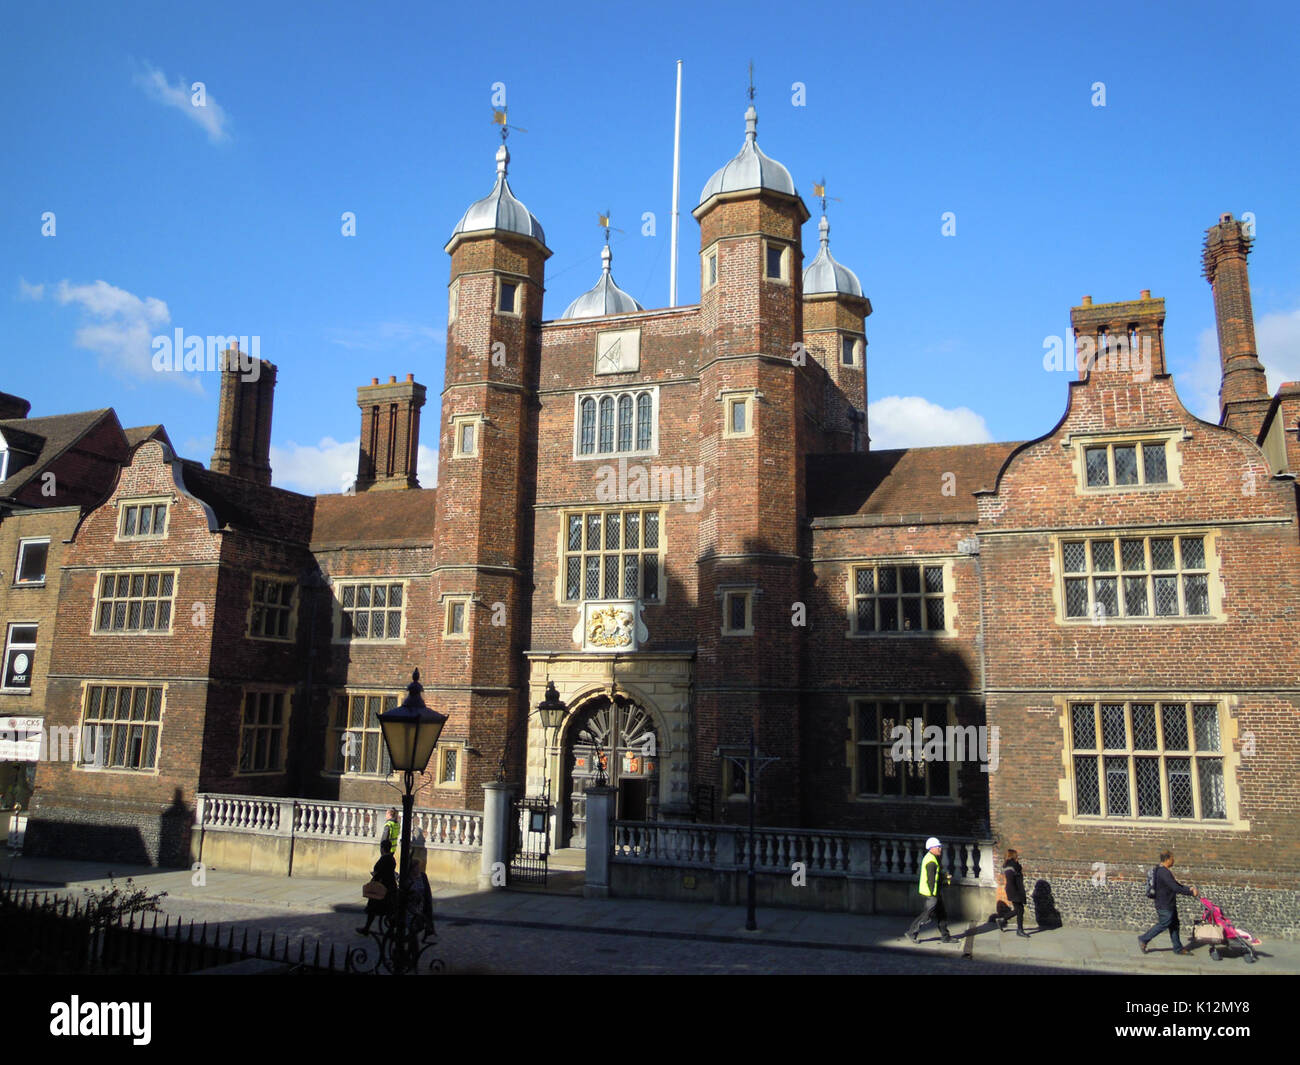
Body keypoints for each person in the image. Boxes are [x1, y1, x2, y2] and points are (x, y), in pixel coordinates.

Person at [1138, 850, 1196, 955]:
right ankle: (1144, 939)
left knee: (1174, 925)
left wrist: (1189, 889)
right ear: (1168, 859)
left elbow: (1175, 884)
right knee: (1164, 923)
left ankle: (1178, 948)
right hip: (1164, 904)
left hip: (1168, 903)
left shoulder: (1161, 870)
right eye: (1172, 858)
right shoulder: (1163, 872)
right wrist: (1190, 893)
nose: (1174, 860)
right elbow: (1174, 887)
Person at [906, 837, 953, 943]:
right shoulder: (931, 861)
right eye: (938, 847)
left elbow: (937, 875)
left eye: (940, 847)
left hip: (934, 892)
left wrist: (945, 877)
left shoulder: (933, 858)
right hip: (931, 894)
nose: (940, 849)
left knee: (942, 915)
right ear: (932, 848)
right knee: (926, 916)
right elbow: (930, 879)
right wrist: (934, 894)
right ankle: (911, 933)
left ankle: (946, 936)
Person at [356, 838, 398, 935]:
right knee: (389, 910)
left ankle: (367, 928)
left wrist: (375, 874)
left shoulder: (384, 859)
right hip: (390, 886)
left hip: (381, 887)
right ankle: (389, 930)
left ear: (382, 848)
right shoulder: (391, 858)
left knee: (375, 909)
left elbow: (380, 872)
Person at [997, 848, 1031, 937]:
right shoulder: (1010, 866)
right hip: (1014, 890)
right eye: (1016, 855)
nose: (1018, 856)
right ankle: (1019, 930)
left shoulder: (1014, 865)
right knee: (1020, 909)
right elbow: (1010, 880)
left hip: (1016, 889)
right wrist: (1017, 893)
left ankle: (1003, 920)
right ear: (1013, 855)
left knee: (1018, 910)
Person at [402, 857, 436, 939]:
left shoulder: (423, 876)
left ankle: (410, 940)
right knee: (413, 928)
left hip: (420, 906)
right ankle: (411, 944)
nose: (418, 869)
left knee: (419, 927)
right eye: (416, 867)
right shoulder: (407, 879)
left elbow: (427, 892)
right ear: (411, 869)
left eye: (418, 867)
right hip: (410, 908)